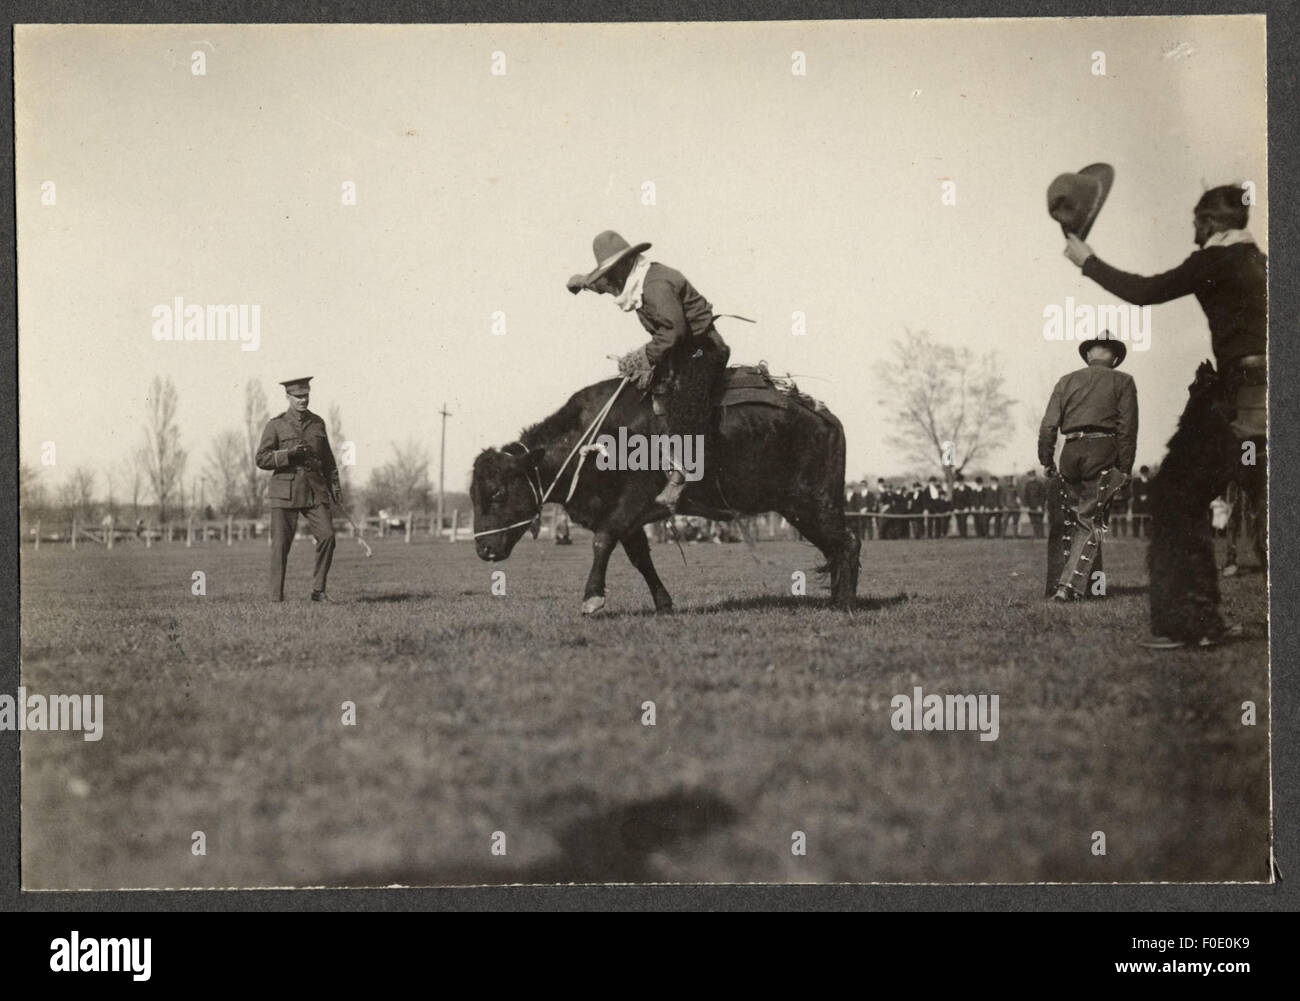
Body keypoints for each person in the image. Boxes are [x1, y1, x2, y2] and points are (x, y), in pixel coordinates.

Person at [1065, 184, 1265, 645]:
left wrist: (1088, 262)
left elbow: (1145, 291)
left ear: (1211, 222)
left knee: (1175, 496)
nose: (1193, 231)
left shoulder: (1214, 259)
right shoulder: (1263, 262)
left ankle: (1188, 621)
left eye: (1197, 221)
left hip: (1242, 399)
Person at [568, 231, 730, 513]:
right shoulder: (634, 279)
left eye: (607, 275)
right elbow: (605, 285)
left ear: (621, 268)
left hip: (701, 348)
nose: (607, 285)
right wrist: (583, 282)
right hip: (679, 348)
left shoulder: (656, 286)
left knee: (683, 395)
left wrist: (643, 356)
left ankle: (681, 476)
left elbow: (674, 331)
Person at [1037, 331, 1138, 601]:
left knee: (1069, 520)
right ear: (1115, 357)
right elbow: (1128, 429)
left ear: (1088, 355)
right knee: (1090, 521)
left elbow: (1048, 425)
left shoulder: (1066, 381)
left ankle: (1076, 586)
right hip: (1102, 450)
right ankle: (1066, 588)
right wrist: (1126, 468)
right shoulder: (1124, 381)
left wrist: (1046, 459)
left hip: (1069, 452)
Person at [256, 377, 341, 603]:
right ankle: (276, 598)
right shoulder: (275, 424)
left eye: (306, 396)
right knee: (280, 546)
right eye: (298, 396)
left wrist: (335, 486)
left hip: (314, 490)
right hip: (285, 492)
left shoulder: (318, 423)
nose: (303, 400)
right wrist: (289, 455)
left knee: (328, 537)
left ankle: (318, 591)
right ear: (288, 397)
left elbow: (329, 459)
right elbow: (261, 459)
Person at [1022, 469, 1046, 538]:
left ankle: (1041, 535)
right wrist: (1026, 506)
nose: (1031, 477)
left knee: (1039, 521)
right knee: (1033, 521)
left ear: (1035, 476)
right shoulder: (1027, 485)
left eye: (1032, 476)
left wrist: (1040, 506)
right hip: (1031, 506)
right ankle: (1036, 535)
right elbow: (1026, 496)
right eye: (1030, 476)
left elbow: (1043, 496)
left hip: (1039, 506)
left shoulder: (1040, 484)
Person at [1130, 465, 1152, 539]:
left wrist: (1147, 497)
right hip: (1137, 503)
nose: (1144, 474)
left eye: (1146, 472)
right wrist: (1139, 497)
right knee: (1136, 519)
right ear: (1141, 473)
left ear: (1147, 473)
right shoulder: (1136, 481)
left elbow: (1152, 492)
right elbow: (1134, 491)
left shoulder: (1150, 481)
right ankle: (1136, 535)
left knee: (1147, 519)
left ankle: (1147, 534)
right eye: (1143, 472)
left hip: (1147, 504)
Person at [952, 473, 970, 538]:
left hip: (965, 508)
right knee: (959, 522)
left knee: (964, 521)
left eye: (961, 481)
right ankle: (961, 534)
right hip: (957, 508)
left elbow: (970, 499)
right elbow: (953, 500)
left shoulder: (968, 489)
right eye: (959, 481)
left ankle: (965, 535)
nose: (960, 482)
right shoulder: (955, 490)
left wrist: (967, 507)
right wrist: (955, 508)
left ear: (963, 481)